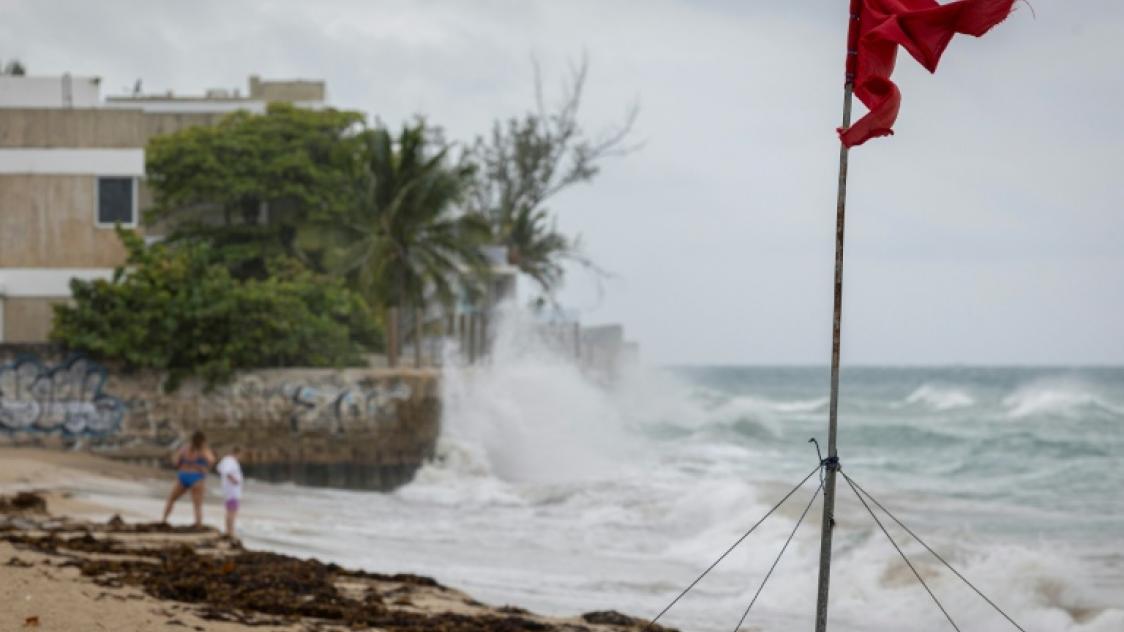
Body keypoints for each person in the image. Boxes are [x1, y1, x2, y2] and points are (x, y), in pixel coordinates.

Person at [161, 431, 215, 527]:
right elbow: (211, 460)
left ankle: (164, 519)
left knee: (171, 499)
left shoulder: (185, 448)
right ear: (203, 440)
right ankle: (198, 523)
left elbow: (176, 462)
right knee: (197, 505)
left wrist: (184, 463)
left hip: (183, 475)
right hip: (197, 477)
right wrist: (202, 466)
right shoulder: (203, 450)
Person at [215, 446, 244, 537]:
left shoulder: (226, 459)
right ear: (238, 453)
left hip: (228, 489)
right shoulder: (231, 460)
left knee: (229, 511)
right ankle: (230, 531)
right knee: (232, 511)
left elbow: (219, 469)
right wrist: (234, 480)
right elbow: (226, 472)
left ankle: (229, 530)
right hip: (232, 490)